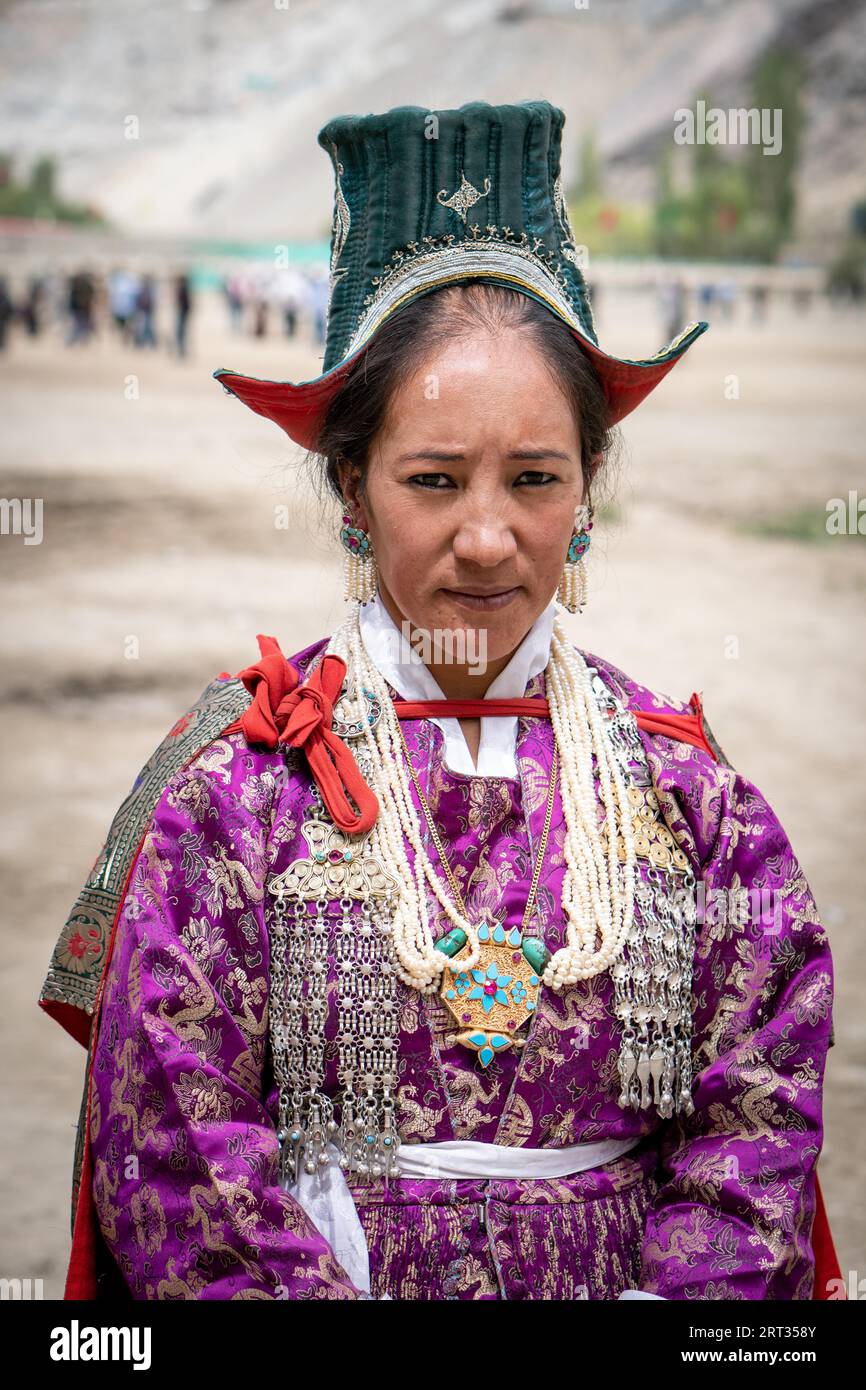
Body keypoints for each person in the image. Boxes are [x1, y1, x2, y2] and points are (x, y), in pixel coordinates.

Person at [40, 99, 841, 1302]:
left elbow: (758, 1128)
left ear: (587, 489)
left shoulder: (688, 798)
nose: (484, 536)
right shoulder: (237, 791)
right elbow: (175, 1143)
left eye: (532, 478)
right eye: (431, 479)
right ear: (349, 486)